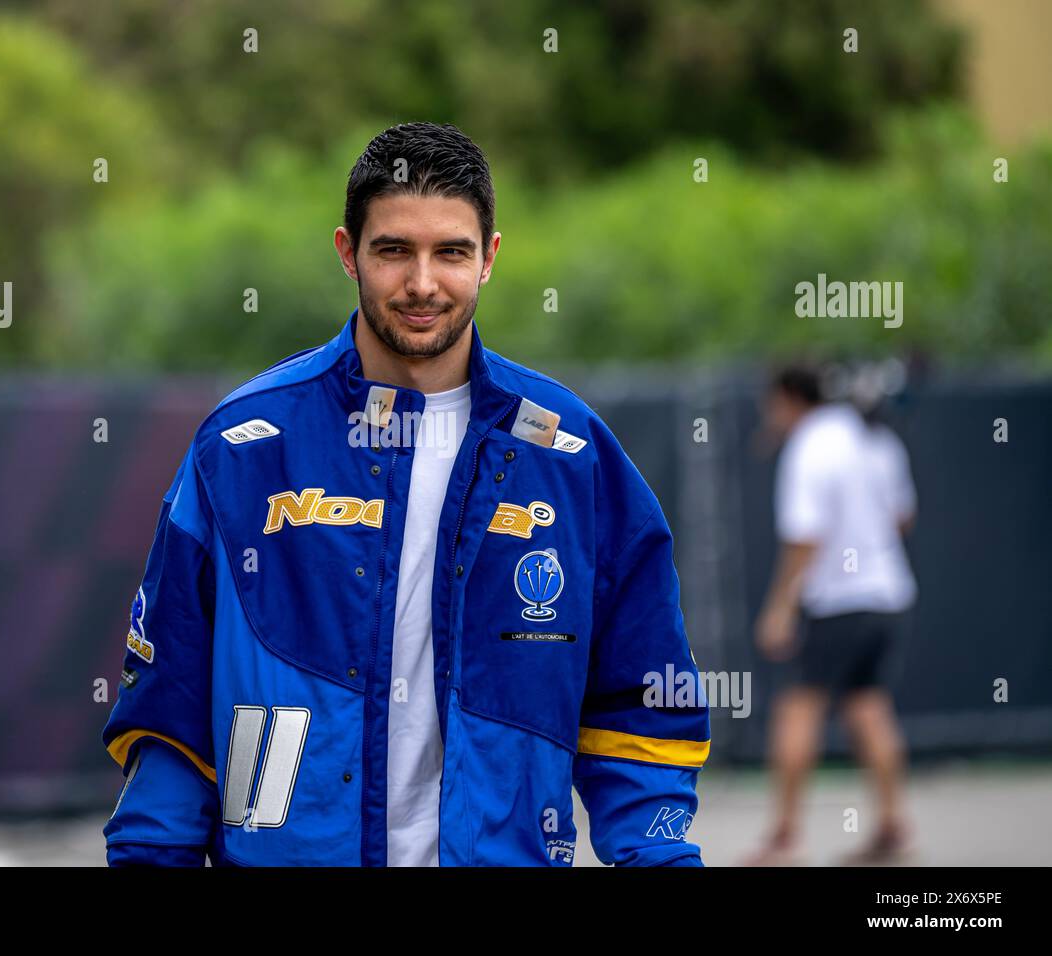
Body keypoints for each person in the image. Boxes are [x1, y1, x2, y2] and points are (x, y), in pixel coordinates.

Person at [100, 122, 709, 866]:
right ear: (348, 252)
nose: (423, 283)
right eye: (394, 250)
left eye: (450, 251)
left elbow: (640, 712)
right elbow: (169, 717)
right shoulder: (242, 446)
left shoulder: (572, 454)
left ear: (488, 258)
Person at [747, 365, 916, 866]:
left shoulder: (810, 446)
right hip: (888, 594)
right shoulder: (874, 438)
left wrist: (779, 607)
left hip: (839, 600)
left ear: (789, 398)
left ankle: (783, 837)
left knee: (797, 708)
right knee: (868, 706)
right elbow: (903, 516)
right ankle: (891, 826)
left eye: (771, 404)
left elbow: (805, 534)